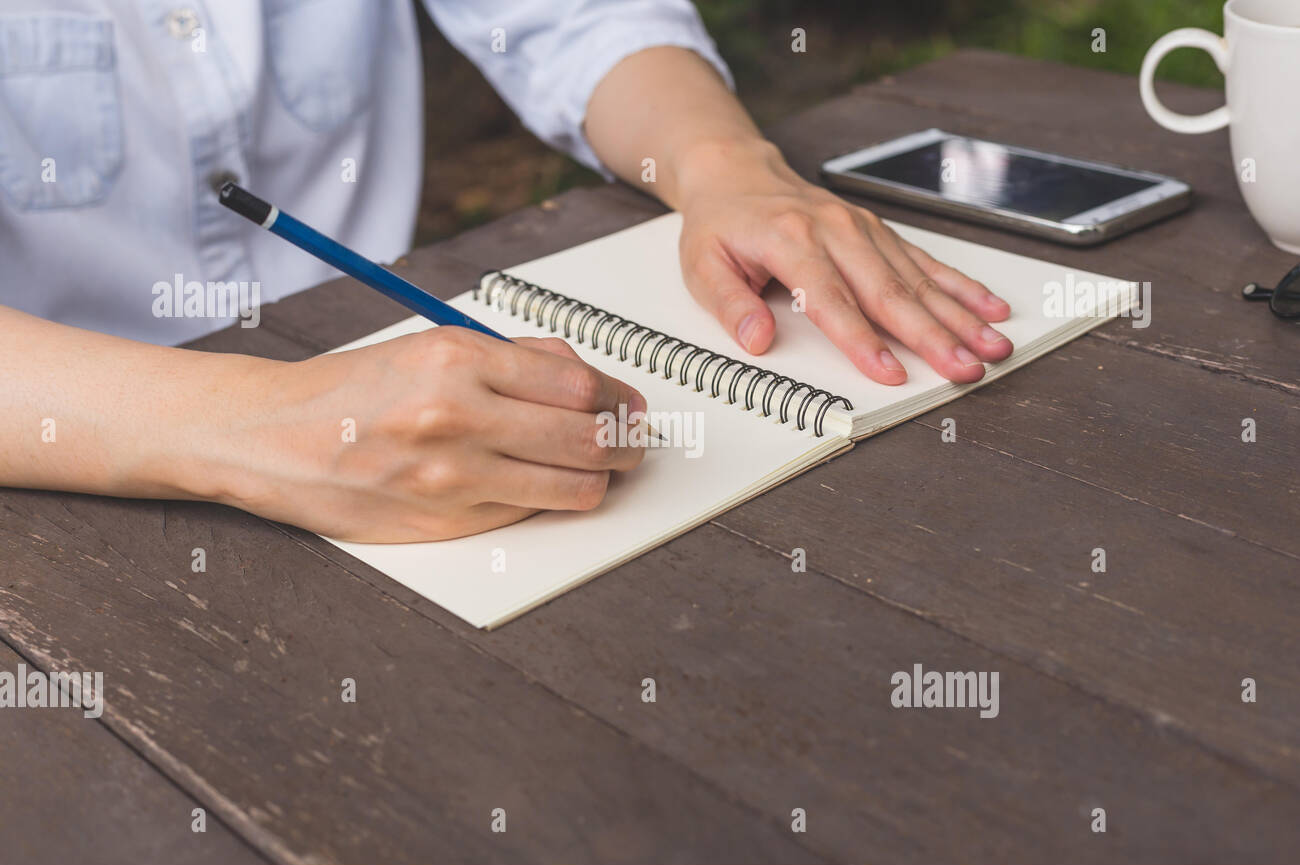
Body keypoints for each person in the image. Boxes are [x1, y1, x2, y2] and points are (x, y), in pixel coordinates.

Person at [0, 0, 1013, 543]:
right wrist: (248, 424)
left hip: (405, 374)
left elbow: (575, 18)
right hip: (67, 476)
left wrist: (721, 168)